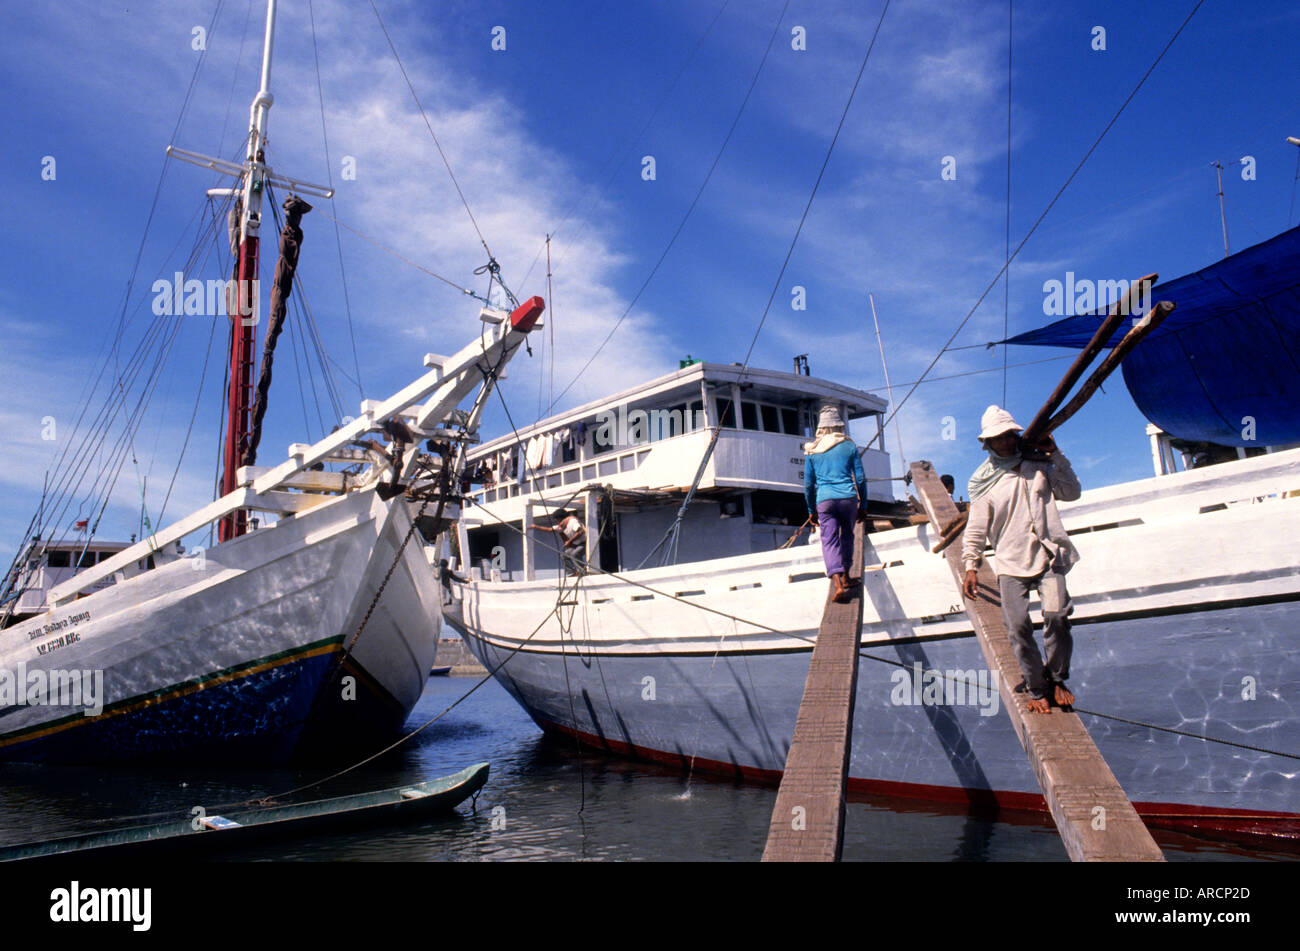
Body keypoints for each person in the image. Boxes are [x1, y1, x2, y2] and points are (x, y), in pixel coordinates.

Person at [961, 405, 1081, 713]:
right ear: (987, 444)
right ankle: (1035, 686)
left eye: (1008, 436)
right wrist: (970, 565)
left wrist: (1055, 454)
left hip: (1048, 556)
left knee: (1057, 616)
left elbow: (1072, 492)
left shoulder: (1039, 465)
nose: (1004, 442)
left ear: (1016, 435)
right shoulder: (982, 482)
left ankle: (1055, 678)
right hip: (1011, 563)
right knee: (1017, 627)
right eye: (997, 438)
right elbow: (976, 529)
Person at [803, 404, 867, 603]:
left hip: (824, 501)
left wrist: (811, 510)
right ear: (839, 426)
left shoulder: (812, 451)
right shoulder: (849, 446)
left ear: (821, 428)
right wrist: (863, 505)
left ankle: (838, 584)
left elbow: (808, 485)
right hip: (848, 499)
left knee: (829, 540)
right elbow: (862, 479)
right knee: (847, 536)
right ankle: (847, 576)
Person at [536, 509, 586, 575]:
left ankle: (583, 572)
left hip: (584, 543)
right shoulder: (562, 525)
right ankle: (572, 573)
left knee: (575, 554)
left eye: (557, 519)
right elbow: (549, 529)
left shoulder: (572, 521)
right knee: (564, 555)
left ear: (560, 518)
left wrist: (569, 541)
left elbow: (580, 531)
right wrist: (535, 526)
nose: (557, 521)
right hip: (576, 545)